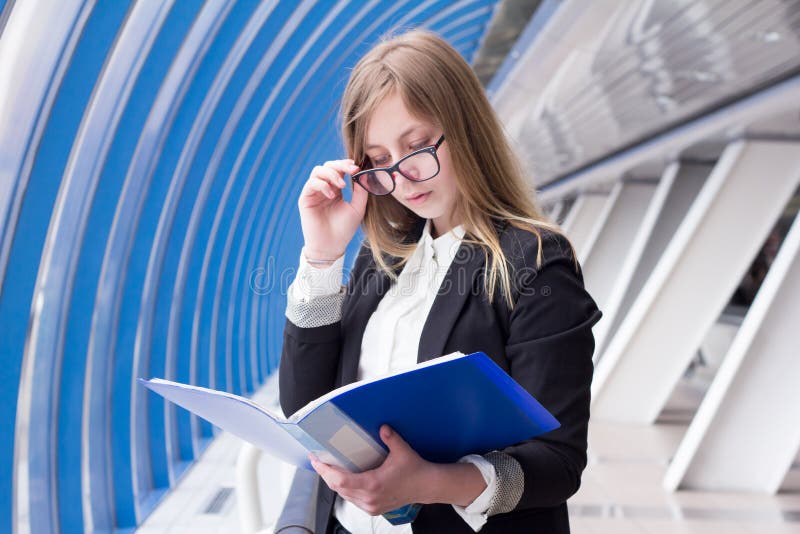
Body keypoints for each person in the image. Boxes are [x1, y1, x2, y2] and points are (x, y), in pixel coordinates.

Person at [279, 28, 602, 534]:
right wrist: (321, 258)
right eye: (380, 161)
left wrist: (429, 482)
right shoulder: (381, 259)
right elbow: (306, 406)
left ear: (466, 127)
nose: (403, 178)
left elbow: (557, 464)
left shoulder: (536, 263)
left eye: (419, 146)